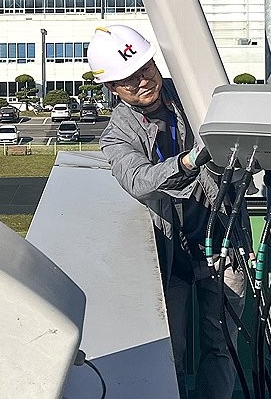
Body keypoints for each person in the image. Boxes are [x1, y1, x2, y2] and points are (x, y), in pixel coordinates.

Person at [88, 24, 250, 399]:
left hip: (223, 243)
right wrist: (189, 161)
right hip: (170, 255)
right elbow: (138, 179)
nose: (142, 81)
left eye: (145, 68)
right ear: (112, 87)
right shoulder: (117, 134)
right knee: (168, 355)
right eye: (129, 79)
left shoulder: (194, 96)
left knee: (222, 345)